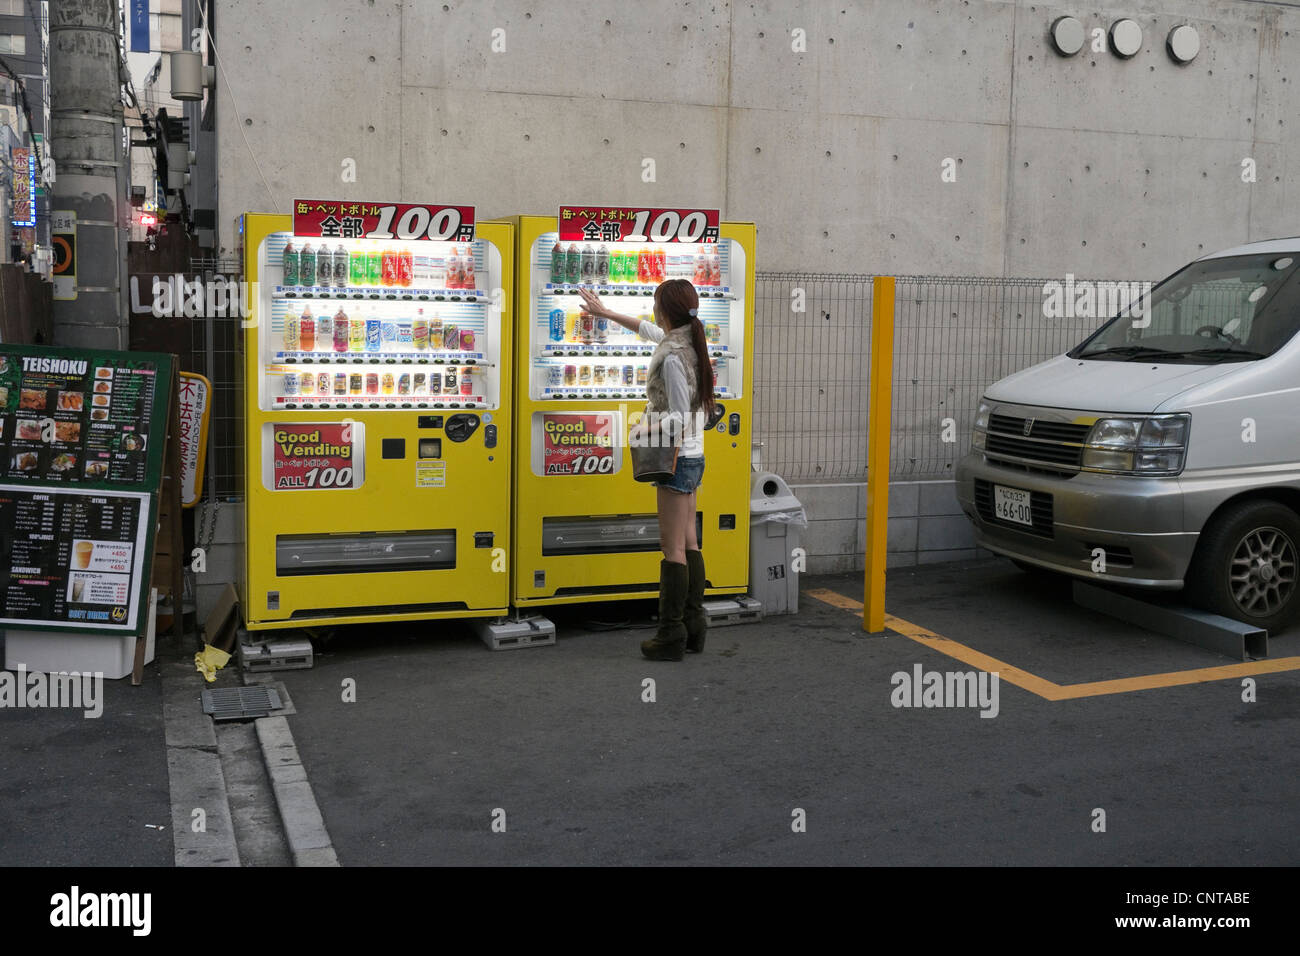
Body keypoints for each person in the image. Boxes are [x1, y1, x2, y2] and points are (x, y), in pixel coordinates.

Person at [578, 279, 715, 661]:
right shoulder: (689, 343)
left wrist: (641, 428)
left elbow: (676, 420)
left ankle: (669, 634)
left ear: (665, 309)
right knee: (690, 543)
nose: (653, 310)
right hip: (694, 458)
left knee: (671, 549)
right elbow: (646, 330)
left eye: (655, 303)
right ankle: (694, 627)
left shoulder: (672, 357)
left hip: (675, 460)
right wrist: (604, 312)